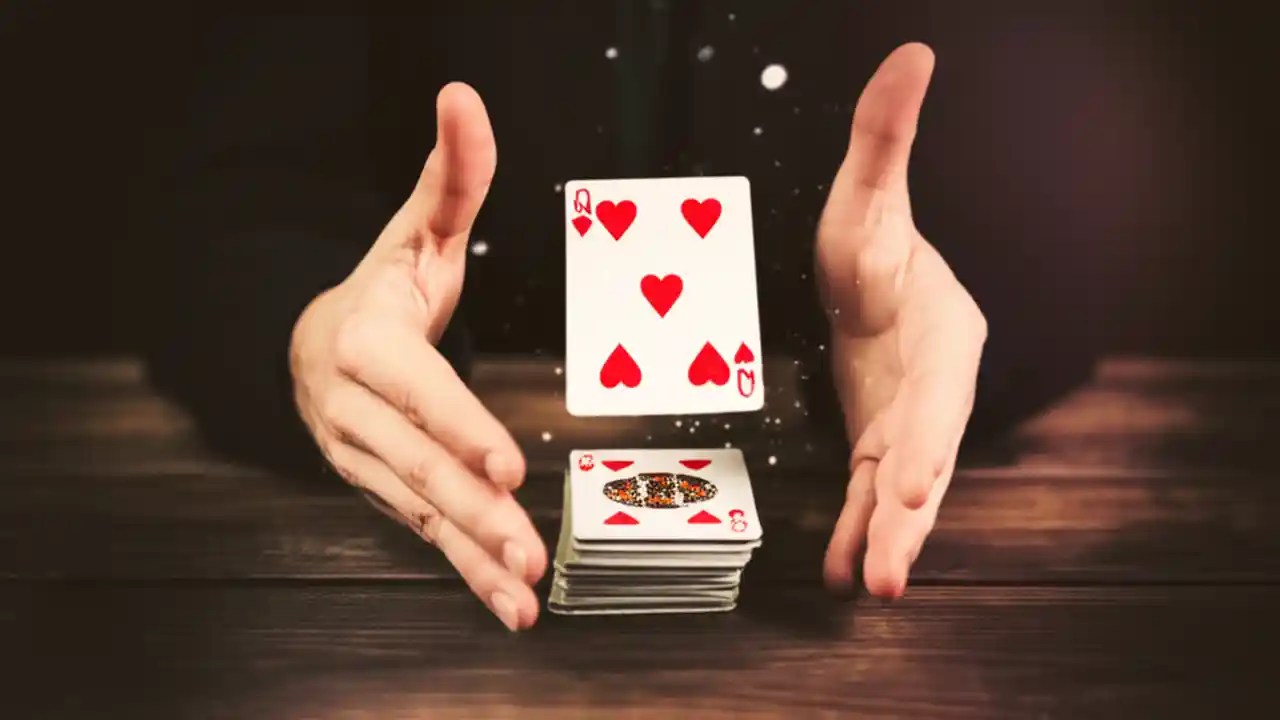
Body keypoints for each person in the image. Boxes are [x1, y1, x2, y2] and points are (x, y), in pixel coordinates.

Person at [146, 13, 1079, 632]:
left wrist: (955, 301)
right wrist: (307, 325)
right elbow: (215, 213)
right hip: (460, 505)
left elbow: (1084, 220)